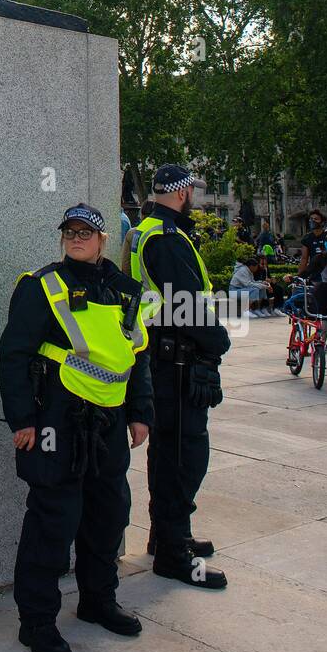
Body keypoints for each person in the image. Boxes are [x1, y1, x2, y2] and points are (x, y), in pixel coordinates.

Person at [0, 204, 152, 652]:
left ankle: (98, 600)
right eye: (70, 231)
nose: (77, 238)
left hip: (108, 420)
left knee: (109, 513)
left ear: (104, 238)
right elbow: (13, 354)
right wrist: (22, 420)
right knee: (53, 519)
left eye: (86, 231)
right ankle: (37, 622)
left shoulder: (127, 291)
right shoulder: (42, 285)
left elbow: (137, 356)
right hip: (56, 419)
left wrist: (140, 412)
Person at [130, 164, 230, 587]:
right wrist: (219, 340)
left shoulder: (145, 230)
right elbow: (186, 303)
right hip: (176, 362)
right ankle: (173, 552)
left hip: (163, 357)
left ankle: (169, 535)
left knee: (169, 452)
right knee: (184, 455)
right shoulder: (167, 239)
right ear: (184, 192)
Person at [298, 210, 326, 275]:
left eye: (316, 219)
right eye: (311, 219)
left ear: (322, 222)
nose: (312, 221)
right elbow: (304, 259)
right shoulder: (307, 238)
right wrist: (299, 276)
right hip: (315, 274)